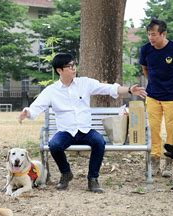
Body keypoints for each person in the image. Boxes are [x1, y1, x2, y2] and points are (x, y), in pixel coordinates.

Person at [19, 53, 147, 193]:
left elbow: (109, 88)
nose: (74, 68)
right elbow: (36, 107)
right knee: (54, 145)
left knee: (99, 142)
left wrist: (129, 90)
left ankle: (93, 179)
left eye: (74, 65)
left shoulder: (84, 83)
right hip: (66, 131)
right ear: (59, 70)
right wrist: (27, 112)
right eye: (69, 66)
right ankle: (66, 173)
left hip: (85, 130)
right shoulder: (51, 91)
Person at [139, 18, 173, 177]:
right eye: (149, 34)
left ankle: (170, 163)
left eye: (154, 34)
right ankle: (154, 161)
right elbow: (145, 69)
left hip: (172, 98)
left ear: (163, 34)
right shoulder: (145, 50)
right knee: (154, 130)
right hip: (152, 97)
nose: (151, 38)